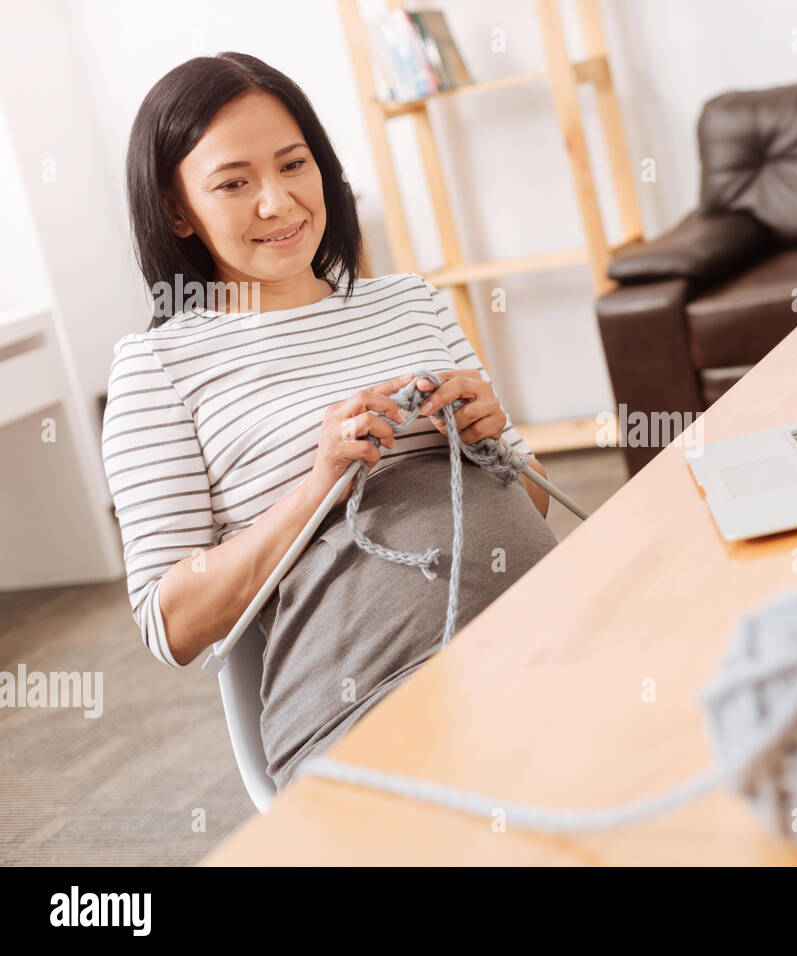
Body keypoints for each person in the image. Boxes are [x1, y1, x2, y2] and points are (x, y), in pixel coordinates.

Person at [103, 52, 558, 792]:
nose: (278, 203)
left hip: (545, 632)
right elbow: (171, 627)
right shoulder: (159, 365)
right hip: (372, 699)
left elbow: (531, 504)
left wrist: (491, 440)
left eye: (294, 165)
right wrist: (318, 485)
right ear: (177, 209)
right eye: (234, 183)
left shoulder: (410, 301)